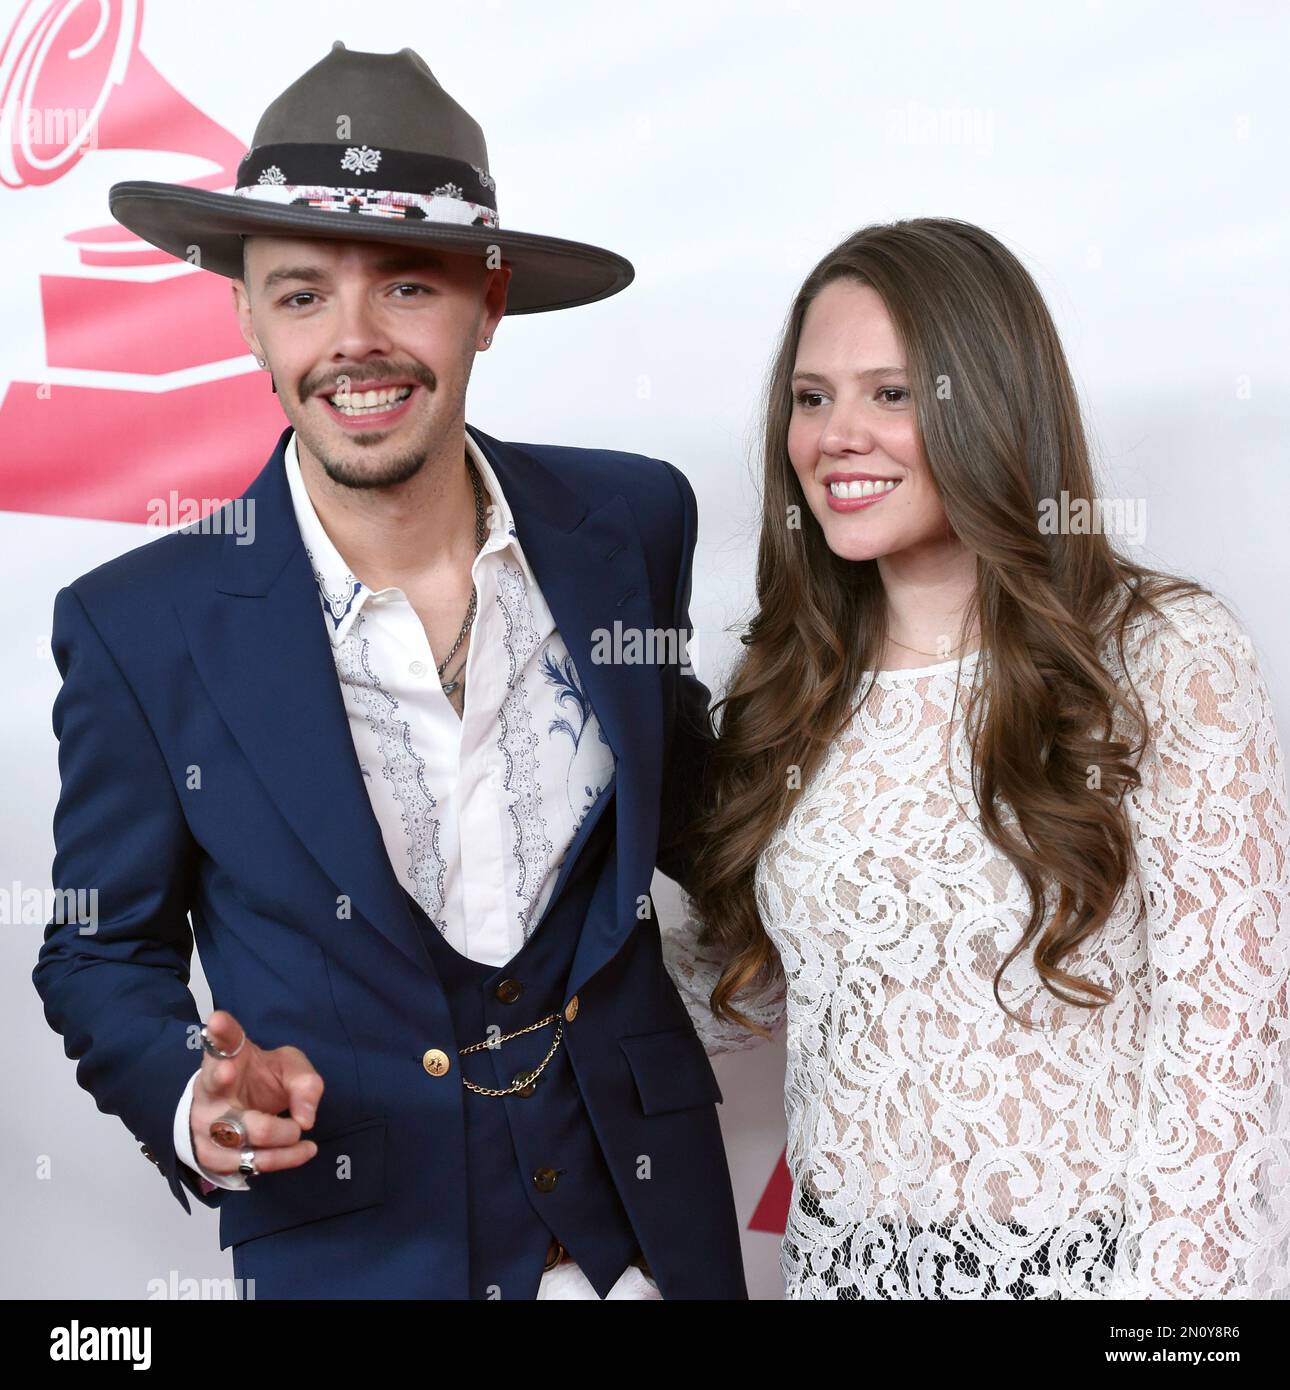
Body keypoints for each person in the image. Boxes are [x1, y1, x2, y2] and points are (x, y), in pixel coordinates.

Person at [33, 42, 738, 1301]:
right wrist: (197, 1086)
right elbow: (95, 950)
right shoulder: (140, 626)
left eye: (407, 287)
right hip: (359, 1253)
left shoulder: (633, 523)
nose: (355, 345)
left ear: (489, 301)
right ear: (246, 314)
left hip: (652, 1234)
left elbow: (688, 792)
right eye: (301, 295)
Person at [662, 216, 1290, 1300]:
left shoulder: (1160, 657)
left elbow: (1227, 1082)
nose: (836, 435)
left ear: (995, 404)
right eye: (811, 398)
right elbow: (752, 987)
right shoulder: (790, 685)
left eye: (892, 394)